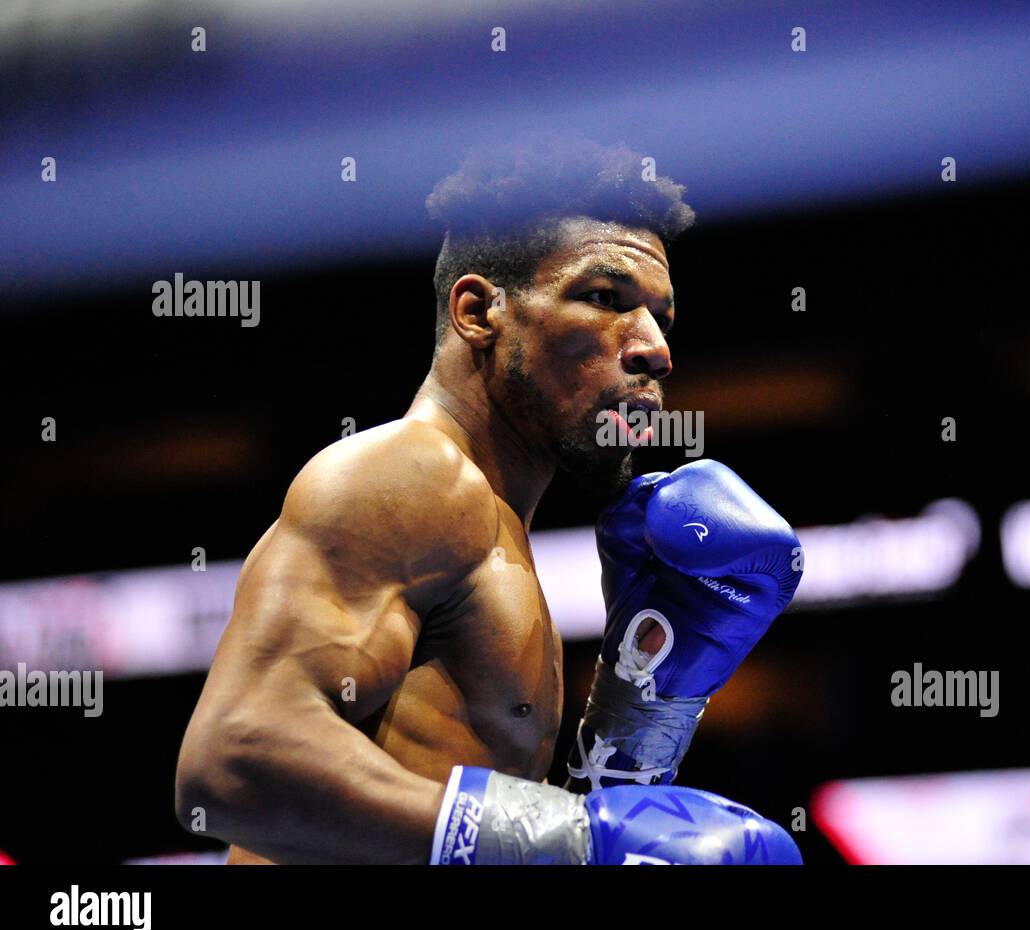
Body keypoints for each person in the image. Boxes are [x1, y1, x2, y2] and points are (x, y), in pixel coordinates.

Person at [175, 136, 803, 864]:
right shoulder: (410, 476)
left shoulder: (495, 531)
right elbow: (229, 761)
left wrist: (642, 716)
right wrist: (577, 839)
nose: (654, 347)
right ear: (478, 311)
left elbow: (480, 840)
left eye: (662, 316)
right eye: (605, 299)